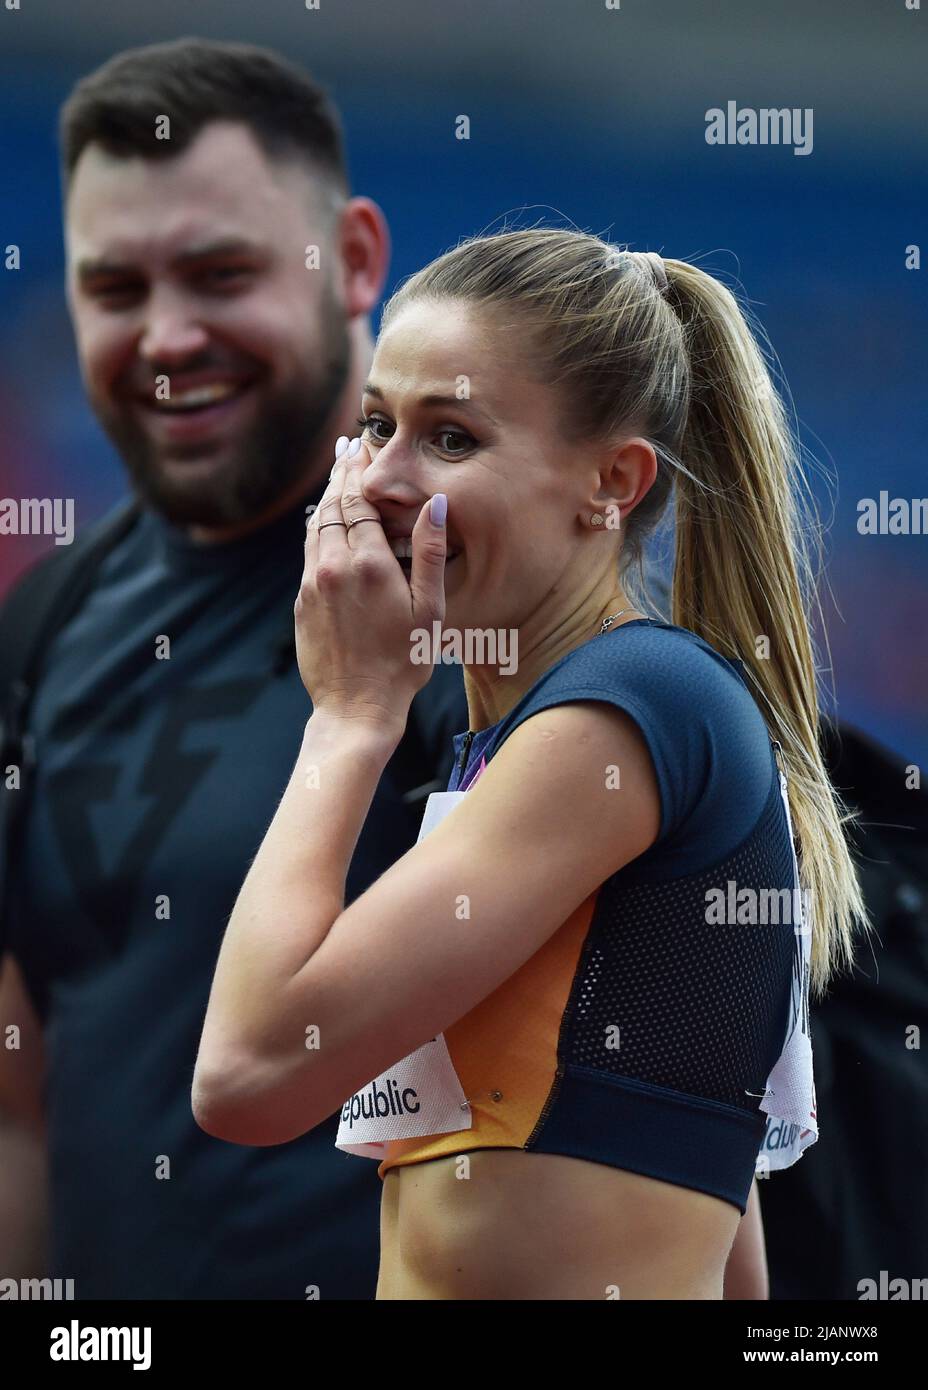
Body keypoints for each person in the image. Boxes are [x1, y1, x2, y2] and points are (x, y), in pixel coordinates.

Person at [192, 229, 872, 1299]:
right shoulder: (524, 748)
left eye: (449, 438)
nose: (379, 479)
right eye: (375, 425)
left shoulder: (639, 704)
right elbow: (724, 1234)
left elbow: (248, 1073)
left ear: (611, 481)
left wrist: (350, 718)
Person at [0, 38, 467, 1300]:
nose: (165, 336)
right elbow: (22, 1108)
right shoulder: (44, 627)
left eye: (219, 273)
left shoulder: (478, 600)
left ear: (356, 260)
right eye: (113, 287)